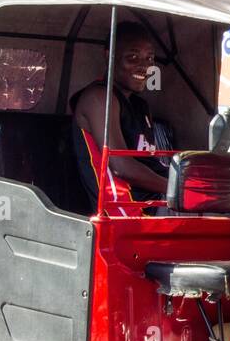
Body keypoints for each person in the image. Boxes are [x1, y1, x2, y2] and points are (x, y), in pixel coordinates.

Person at [71, 22, 170, 206]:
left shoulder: (140, 106)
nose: (145, 66)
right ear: (110, 56)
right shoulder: (98, 98)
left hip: (153, 203)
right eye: (133, 57)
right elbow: (122, 167)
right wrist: (177, 190)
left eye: (149, 58)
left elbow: (150, 162)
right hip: (121, 209)